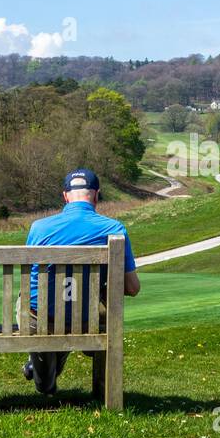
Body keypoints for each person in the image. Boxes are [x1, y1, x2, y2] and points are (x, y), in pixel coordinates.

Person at [22, 169, 140, 395]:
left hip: (41, 320)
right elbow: (132, 288)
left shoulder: (39, 227)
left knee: (29, 304)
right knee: (86, 310)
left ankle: (42, 376)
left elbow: (30, 279)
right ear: (96, 195)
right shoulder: (114, 229)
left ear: (65, 196)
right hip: (88, 320)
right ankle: (102, 392)